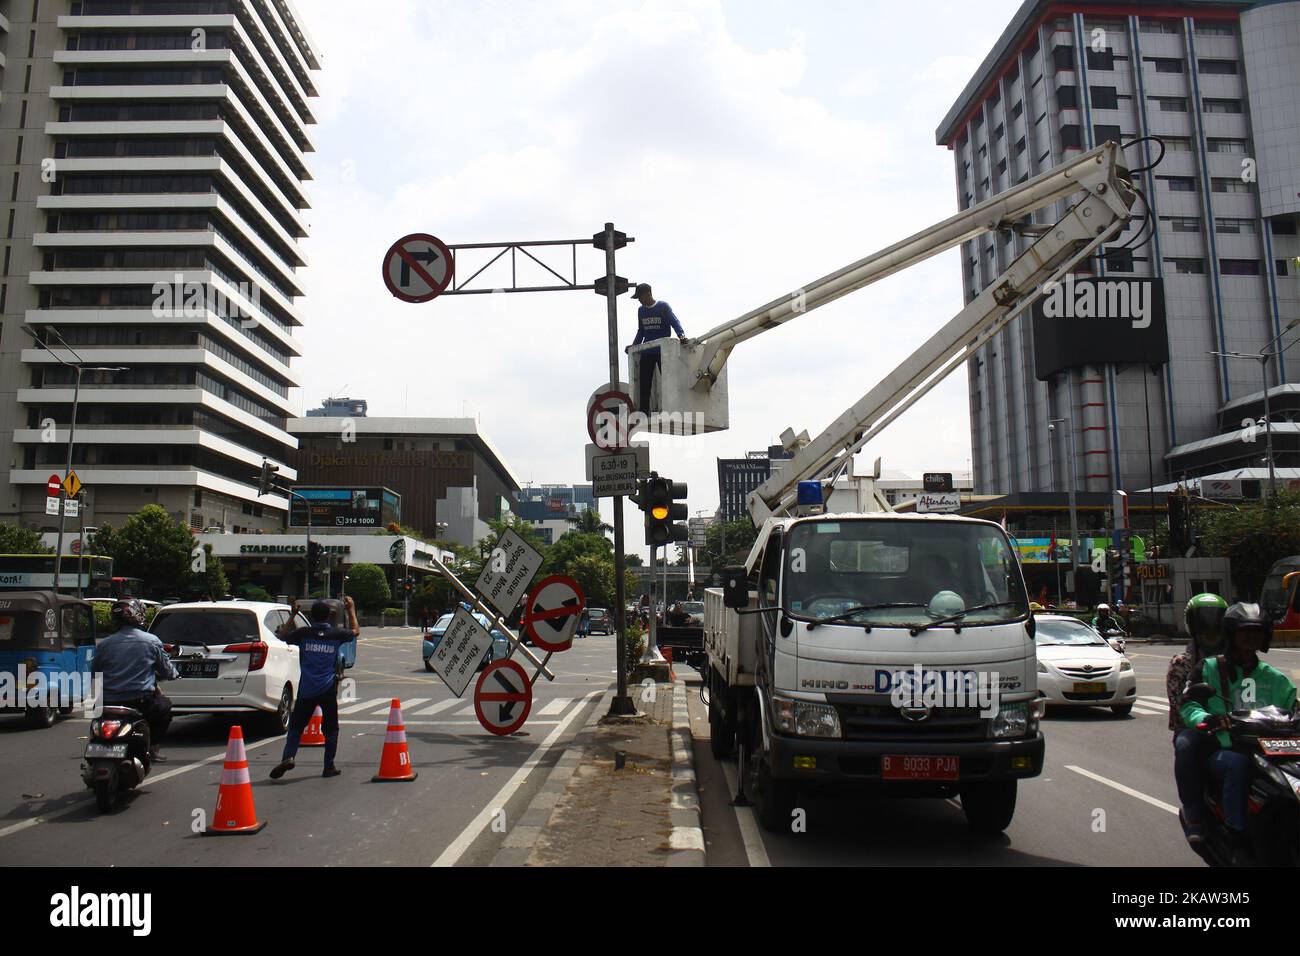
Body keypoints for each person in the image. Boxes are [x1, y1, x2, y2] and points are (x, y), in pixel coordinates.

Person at [1179, 602, 1297, 863]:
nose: (1251, 636)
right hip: (1226, 747)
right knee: (1238, 765)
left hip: (1275, 750)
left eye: (1257, 631)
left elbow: (1294, 708)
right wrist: (1208, 719)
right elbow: (1189, 704)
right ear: (1231, 634)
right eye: (1245, 631)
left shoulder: (1276, 678)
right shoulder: (1209, 668)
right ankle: (1236, 835)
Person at [270, 596, 361, 779]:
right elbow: (355, 631)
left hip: (306, 690)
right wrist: (351, 609)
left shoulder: (304, 634)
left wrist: (293, 615)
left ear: (312, 616)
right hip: (327, 690)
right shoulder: (335, 635)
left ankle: (288, 757)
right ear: (328, 617)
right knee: (331, 730)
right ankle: (329, 766)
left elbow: (282, 636)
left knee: (296, 728)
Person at [1167, 592, 1228, 847]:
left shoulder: (1237, 658)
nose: (1211, 632)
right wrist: (1205, 718)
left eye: (1216, 626)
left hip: (1236, 724)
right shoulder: (1183, 662)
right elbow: (1178, 702)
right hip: (1197, 727)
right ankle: (1194, 813)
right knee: (1185, 746)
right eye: (1205, 627)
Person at [92, 598, 178, 761]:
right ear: (139, 616)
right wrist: (173, 674)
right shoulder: (151, 641)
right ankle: (152, 748)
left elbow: (95, 672)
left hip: (108, 701)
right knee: (165, 706)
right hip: (139, 701)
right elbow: (167, 670)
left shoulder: (104, 644)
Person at [625, 282, 686, 415]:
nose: (639, 301)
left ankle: (673, 408)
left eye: (640, 297)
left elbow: (674, 322)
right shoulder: (641, 311)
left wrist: (681, 335)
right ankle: (643, 412)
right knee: (644, 383)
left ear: (648, 294)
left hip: (662, 352)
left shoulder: (663, 307)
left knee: (668, 380)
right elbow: (641, 331)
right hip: (647, 352)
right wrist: (634, 345)